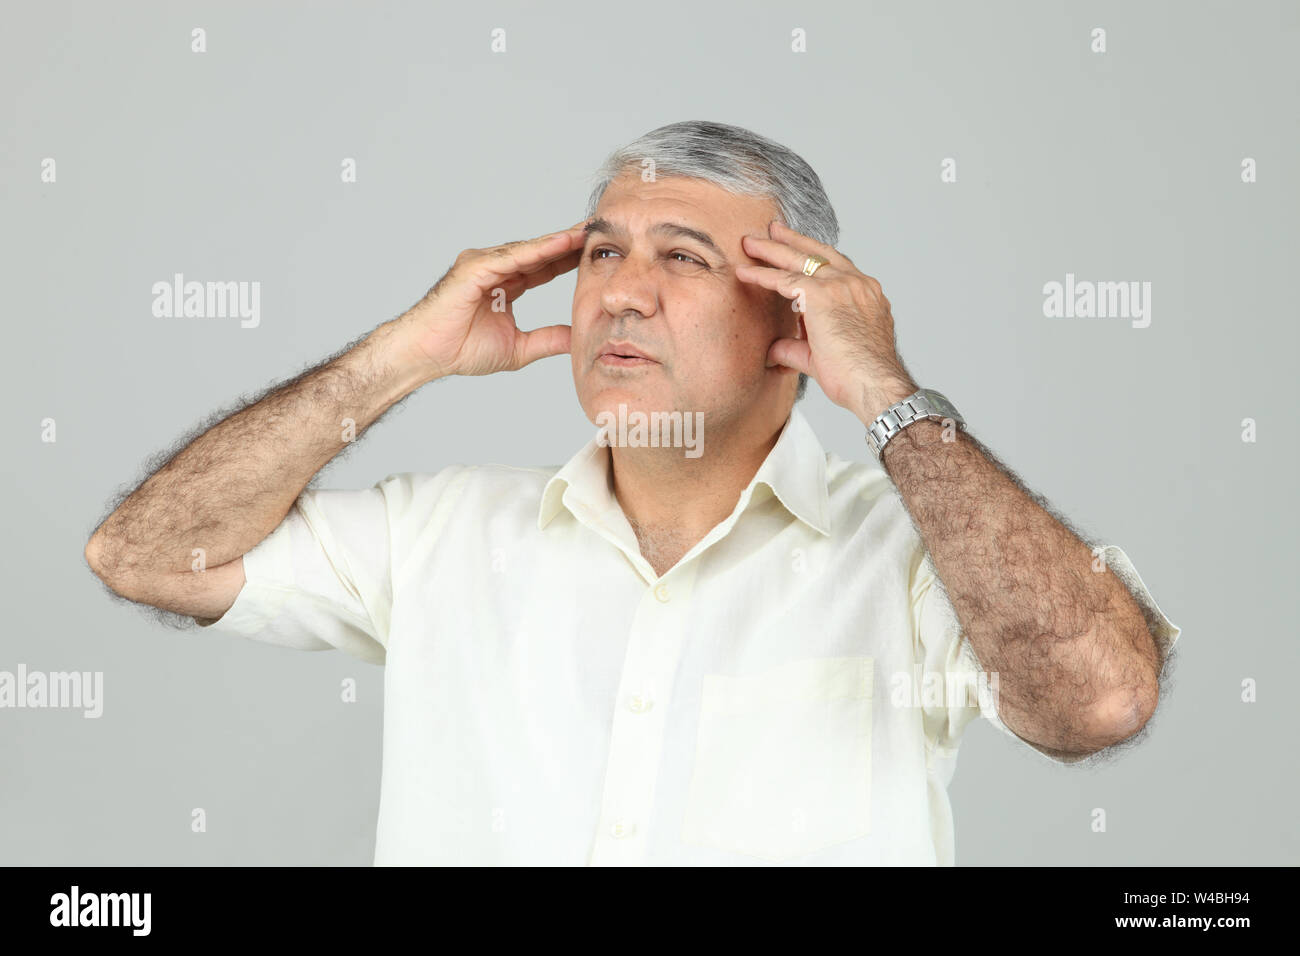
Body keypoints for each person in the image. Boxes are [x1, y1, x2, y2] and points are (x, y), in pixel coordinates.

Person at [85, 120, 1181, 866]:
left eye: (685, 258)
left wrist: (888, 392)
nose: (621, 295)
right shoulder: (441, 531)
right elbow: (142, 552)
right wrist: (394, 359)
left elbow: (1096, 698)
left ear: (796, 316)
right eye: (602, 252)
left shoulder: (911, 562)